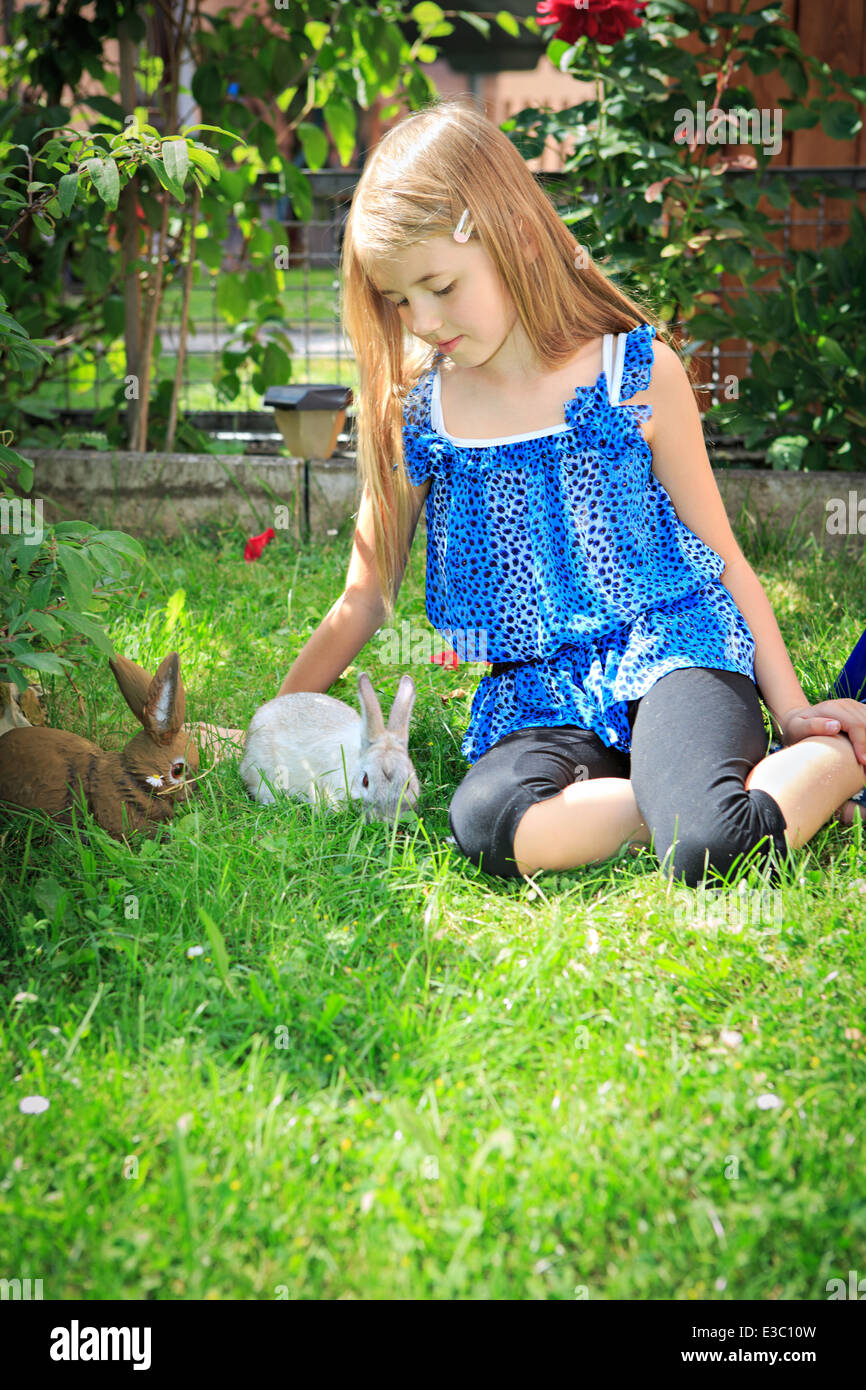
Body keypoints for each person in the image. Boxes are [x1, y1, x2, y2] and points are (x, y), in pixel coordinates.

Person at [276, 97, 866, 886]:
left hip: (675, 653)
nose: (421, 319)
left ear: (514, 236)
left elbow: (721, 559)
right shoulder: (421, 415)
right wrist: (275, 720)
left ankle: (823, 765)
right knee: (485, 822)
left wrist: (792, 711)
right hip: (539, 691)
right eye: (398, 300)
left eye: (440, 285)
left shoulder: (637, 376)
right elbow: (365, 601)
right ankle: (680, 799)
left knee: (706, 853)